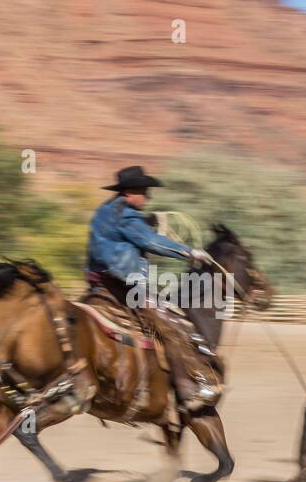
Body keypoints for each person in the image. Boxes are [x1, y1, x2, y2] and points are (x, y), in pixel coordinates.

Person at [86, 165, 222, 411]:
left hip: (99, 282)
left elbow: (127, 236)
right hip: (122, 283)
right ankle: (191, 386)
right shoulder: (126, 214)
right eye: (144, 192)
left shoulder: (105, 211)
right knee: (171, 326)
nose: (147, 197)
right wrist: (189, 252)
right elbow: (149, 241)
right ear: (129, 193)